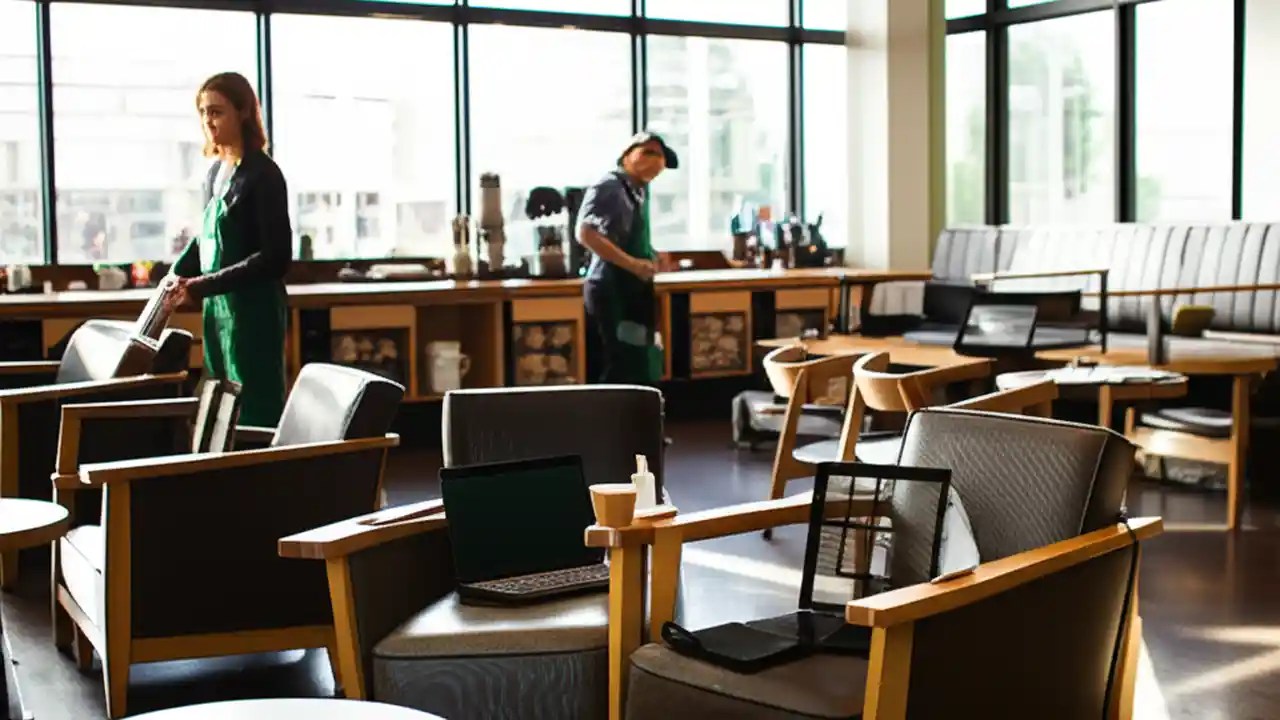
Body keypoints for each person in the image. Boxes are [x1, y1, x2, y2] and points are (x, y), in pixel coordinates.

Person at [165, 71, 292, 427]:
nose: (209, 121)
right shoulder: (214, 175)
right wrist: (176, 276)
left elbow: (275, 257)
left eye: (217, 112)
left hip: (254, 314)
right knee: (219, 399)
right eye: (204, 112)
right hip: (218, 313)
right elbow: (204, 238)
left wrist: (202, 286)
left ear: (244, 113)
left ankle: (263, 478)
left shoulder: (263, 175)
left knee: (254, 405)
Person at [577, 131, 679, 384]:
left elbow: (624, 239)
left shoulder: (638, 192)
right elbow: (586, 233)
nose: (656, 160)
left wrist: (653, 257)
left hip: (632, 289)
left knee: (637, 358)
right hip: (611, 290)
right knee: (618, 363)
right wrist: (633, 264)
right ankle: (613, 420)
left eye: (660, 156)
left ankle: (634, 418)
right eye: (648, 152)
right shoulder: (610, 186)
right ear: (626, 156)